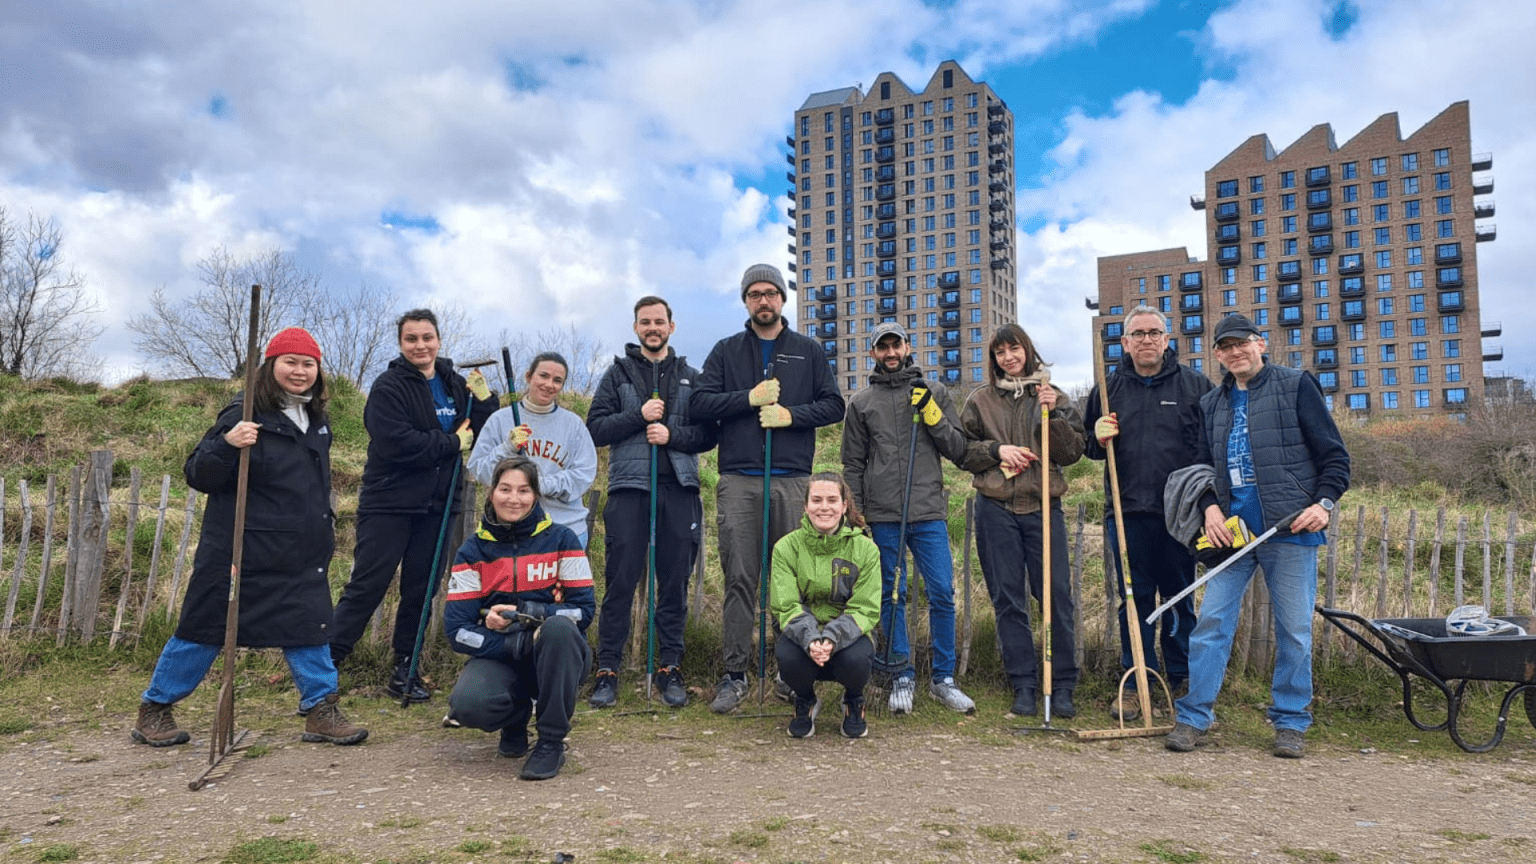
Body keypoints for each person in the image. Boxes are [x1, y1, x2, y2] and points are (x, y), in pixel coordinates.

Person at [134, 328, 366, 747]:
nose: (300, 371)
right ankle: (155, 708)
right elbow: (198, 475)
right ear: (270, 366)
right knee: (203, 629)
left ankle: (320, 709)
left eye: (308, 363)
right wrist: (227, 443)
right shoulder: (243, 412)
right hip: (241, 549)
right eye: (290, 362)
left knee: (310, 629)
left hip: (298, 550)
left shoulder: (316, 420)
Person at [1165, 313, 1349, 759]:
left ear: (1260, 344)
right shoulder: (1212, 404)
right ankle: (1193, 717)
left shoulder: (1295, 385)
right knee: (1211, 625)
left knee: (1295, 631)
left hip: (1289, 530)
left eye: (1242, 343)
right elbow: (1201, 466)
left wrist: (1322, 505)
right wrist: (1209, 505)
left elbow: (1335, 459)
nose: (1234, 352)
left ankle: (1290, 721)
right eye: (1225, 347)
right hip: (1234, 536)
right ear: (1216, 355)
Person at [690, 263, 845, 714]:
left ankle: (788, 672)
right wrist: (749, 399)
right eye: (755, 293)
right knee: (740, 578)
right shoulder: (725, 351)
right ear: (745, 301)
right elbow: (699, 403)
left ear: (782, 299)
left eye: (771, 293)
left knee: (791, 583)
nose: (764, 300)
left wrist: (791, 415)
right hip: (739, 478)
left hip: (793, 479)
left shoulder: (808, 350)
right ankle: (735, 674)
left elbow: (833, 404)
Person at [329, 309, 497, 703]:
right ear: (401, 344)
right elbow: (396, 442)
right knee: (367, 585)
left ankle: (405, 668)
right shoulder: (389, 387)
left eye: (427, 337)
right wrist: (451, 444)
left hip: (439, 505)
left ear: (438, 339)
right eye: (411, 339)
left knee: (420, 590)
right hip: (390, 501)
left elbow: (480, 427)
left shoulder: (454, 383)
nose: (420, 345)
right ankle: (324, 667)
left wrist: (485, 398)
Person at [585, 296, 717, 708]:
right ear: (636, 327)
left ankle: (669, 668)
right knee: (621, 582)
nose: (653, 328)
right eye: (645, 322)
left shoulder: (692, 378)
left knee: (674, 584)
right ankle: (607, 669)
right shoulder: (616, 375)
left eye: (659, 321)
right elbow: (596, 429)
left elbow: (709, 435)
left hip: (679, 490)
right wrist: (639, 417)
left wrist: (672, 436)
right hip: (630, 490)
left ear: (671, 328)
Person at [1081, 306, 1212, 720]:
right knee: (1133, 601)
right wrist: (1097, 436)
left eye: (1154, 332)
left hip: (1179, 516)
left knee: (1179, 599)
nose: (1147, 340)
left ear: (1167, 338)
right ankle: (1138, 679)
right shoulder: (1107, 388)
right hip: (1127, 514)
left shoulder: (1195, 386)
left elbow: (1208, 449)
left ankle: (1179, 679)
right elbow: (1085, 445)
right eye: (1137, 334)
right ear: (1124, 343)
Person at [841, 322, 974, 714]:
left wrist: (931, 415)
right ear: (873, 354)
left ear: (907, 346)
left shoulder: (934, 392)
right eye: (882, 347)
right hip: (882, 514)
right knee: (890, 595)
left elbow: (958, 447)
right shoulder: (862, 402)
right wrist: (857, 511)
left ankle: (943, 678)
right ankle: (901, 672)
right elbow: (852, 463)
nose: (890, 352)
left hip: (927, 511)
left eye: (895, 344)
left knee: (941, 593)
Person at [958, 324, 1085, 718]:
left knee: (1056, 597)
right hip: (996, 509)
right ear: (994, 359)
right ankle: (1024, 685)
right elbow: (961, 451)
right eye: (1000, 353)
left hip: (1043, 507)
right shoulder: (980, 401)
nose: (1008, 358)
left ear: (1028, 351)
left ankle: (1061, 684)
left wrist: (1054, 418)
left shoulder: (1053, 395)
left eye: (1014, 349)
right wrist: (998, 451)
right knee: (1008, 599)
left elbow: (1071, 453)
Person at [443, 457, 595, 780]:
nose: (514, 498)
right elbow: (457, 631)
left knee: (559, 630)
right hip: (501, 654)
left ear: (536, 495)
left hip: (556, 653)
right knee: (467, 703)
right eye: (505, 489)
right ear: (491, 492)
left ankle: (551, 742)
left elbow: (583, 611)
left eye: (524, 490)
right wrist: (514, 641)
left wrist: (532, 614)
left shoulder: (563, 541)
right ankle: (516, 717)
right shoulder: (472, 552)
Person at [770, 473, 881, 739]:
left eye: (832, 500)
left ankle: (853, 700)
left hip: (848, 633)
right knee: (788, 657)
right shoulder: (785, 548)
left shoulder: (866, 550)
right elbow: (785, 605)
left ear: (844, 505)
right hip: (802, 632)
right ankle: (805, 699)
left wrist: (831, 638)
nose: (824, 507)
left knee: (856, 660)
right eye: (816, 500)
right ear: (806, 505)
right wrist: (811, 639)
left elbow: (866, 608)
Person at [468, 352, 598, 548]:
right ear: (529, 376)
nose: (549, 384)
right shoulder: (500, 420)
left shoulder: (574, 425)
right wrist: (507, 448)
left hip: (564, 530)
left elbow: (584, 475)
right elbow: (479, 470)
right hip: (511, 531)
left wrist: (540, 485)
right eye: (543, 376)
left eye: (557, 380)